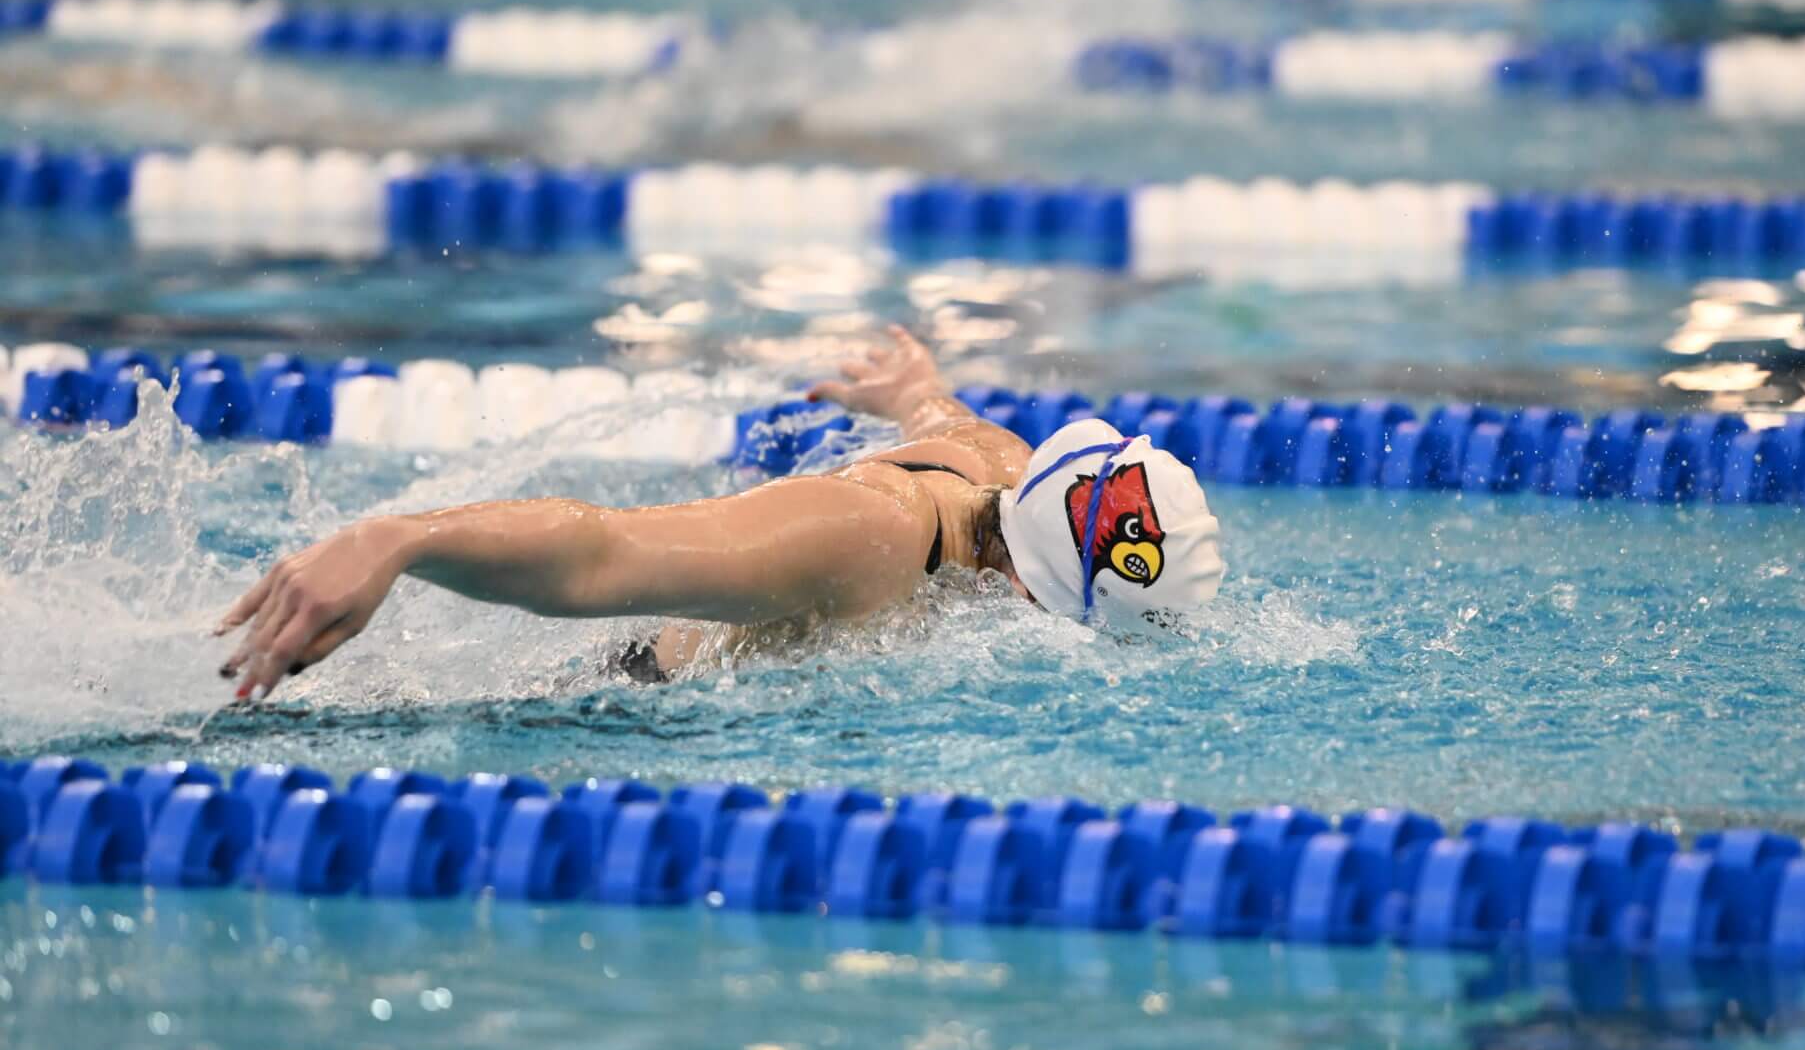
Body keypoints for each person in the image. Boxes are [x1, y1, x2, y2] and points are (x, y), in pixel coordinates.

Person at [216, 328, 1225, 699]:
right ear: (1029, 589)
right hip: (621, 708)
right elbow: (600, 555)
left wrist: (915, 383)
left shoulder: (999, 468)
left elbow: (940, 415)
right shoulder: (866, 536)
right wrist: (395, 539)